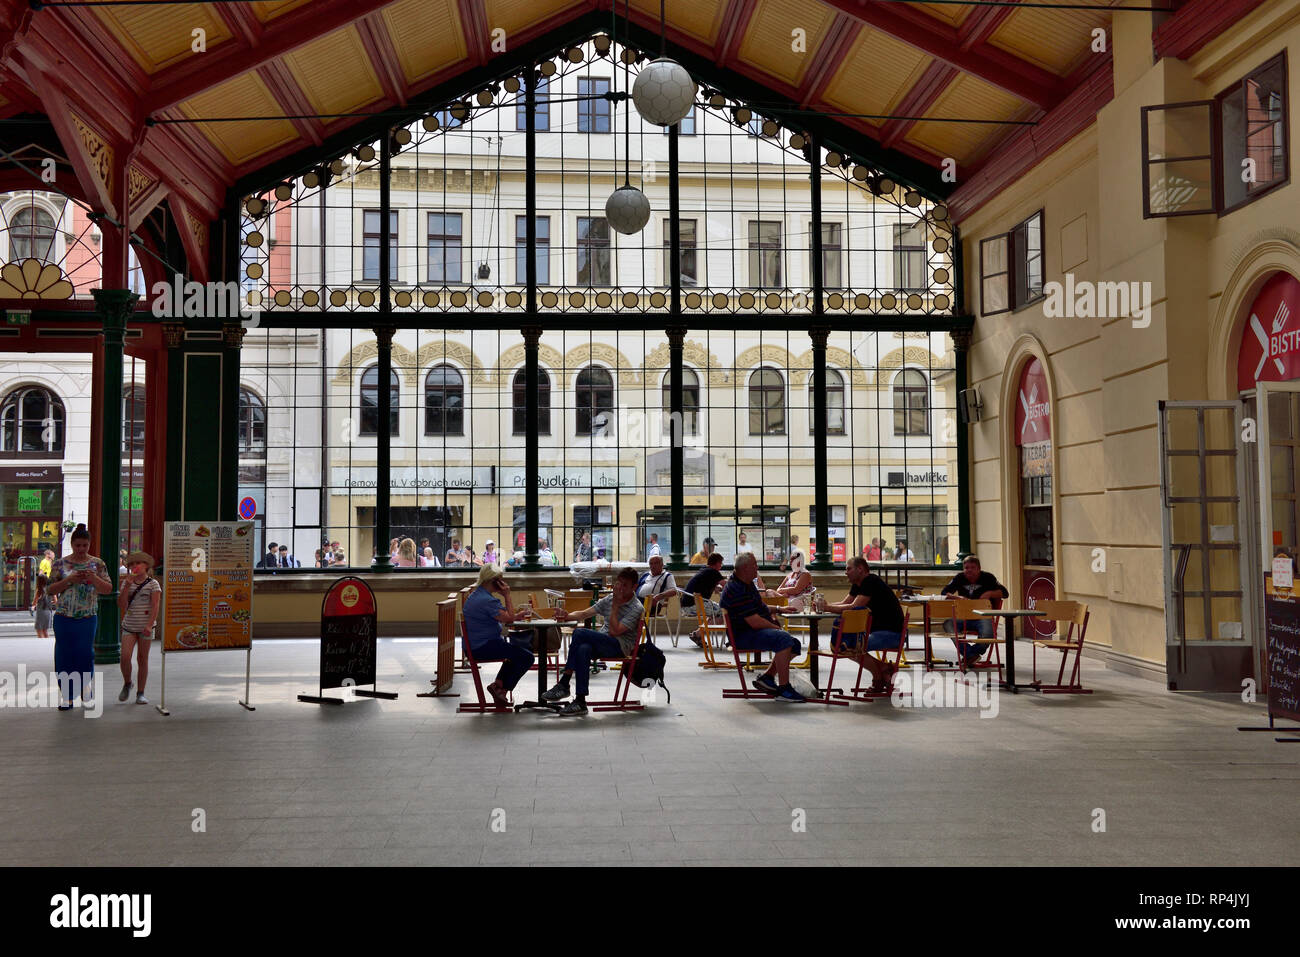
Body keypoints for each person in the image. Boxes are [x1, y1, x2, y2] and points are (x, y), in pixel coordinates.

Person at [542, 567, 643, 716]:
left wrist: (615, 606)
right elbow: (584, 613)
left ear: (634, 587)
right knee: (583, 648)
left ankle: (564, 682)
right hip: (604, 641)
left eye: (625, 585)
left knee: (579, 632)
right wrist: (567, 616)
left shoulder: (636, 607)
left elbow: (615, 632)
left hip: (620, 646)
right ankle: (581, 702)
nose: (620, 588)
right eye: (619, 583)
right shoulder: (610, 599)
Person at [721, 552, 805, 702]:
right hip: (743, 635)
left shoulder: (746, 584)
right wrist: (776, 628)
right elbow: (754, 621)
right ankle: (784, 689)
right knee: (784, 639)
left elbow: (761, 607)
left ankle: (767, 677)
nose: (757, 567)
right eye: (754, 564)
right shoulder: (736, 588)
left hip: (751, 631)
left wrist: (779, 609)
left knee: (794, 644)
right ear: (745, 568)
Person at [45, 524, 112, 709]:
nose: (81, 549)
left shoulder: (98, 564)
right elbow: (49, 589)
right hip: (64, 616)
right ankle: (66, 695)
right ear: (72, 544)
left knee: (85, 654)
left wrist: (94, 578)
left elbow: (108, 589)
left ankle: (85, 687)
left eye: (85, 545)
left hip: (88, 616)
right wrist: (69, 580)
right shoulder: (60, 563)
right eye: (78, 545)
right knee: (64, 655)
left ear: (89, 544)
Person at [823, 556, 902, 692]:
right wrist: (824, 606)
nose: (845, 572)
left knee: (851, 646)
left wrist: (827, 608)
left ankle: (878, 678)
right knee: (848, 646)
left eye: (848, 569)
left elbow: (853, 607)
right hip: (876, 632)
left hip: (892, 633)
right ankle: (883, 668)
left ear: (860, 569)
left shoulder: (871, 581)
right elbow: (844, 603)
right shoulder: (858, 583)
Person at [463, 565, 537, 707]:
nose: (503, 583)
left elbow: (504, 617)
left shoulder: (478, 595)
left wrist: (516, 616)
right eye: (500, 580)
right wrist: (507, 595)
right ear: (494, 580)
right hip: (482, 646)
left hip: (476, 645)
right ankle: (501, 689)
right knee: (527, 657)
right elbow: (508, 619)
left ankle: (498, 685)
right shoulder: (487, 600)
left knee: (517, 651)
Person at [940, 555, 1010, 662]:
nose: (969, 570)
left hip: (983, 616)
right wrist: (957, 597)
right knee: (948, 624)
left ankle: (970, 655)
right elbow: (944, 592)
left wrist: (990, 593)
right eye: (966, 568)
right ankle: (971, 655)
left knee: (988, 635)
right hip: (964, 616)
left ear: (979, 569)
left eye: (972, 567)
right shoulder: (959, 578)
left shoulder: (988, 578)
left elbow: (1005, 593)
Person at [117, 550, 161, 705]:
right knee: (125, 657)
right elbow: (121, 605)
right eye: (132, 564)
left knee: (142, 659)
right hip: (129, 625)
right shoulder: (126, 582)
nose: (135, 566)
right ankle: (128, 683)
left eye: (138, 563)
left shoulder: (153, 584)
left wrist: (149, 625)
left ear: (146, 566)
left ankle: (141, 693)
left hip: (145, 627)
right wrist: (126, 586)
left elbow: (156, 605)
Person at [681, 552, 726, 646]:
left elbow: (704, 584)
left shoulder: (705, 570)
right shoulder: (713, 572)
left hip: (686, 605)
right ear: (717, 563)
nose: (721, 565)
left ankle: (697, 634)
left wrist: (715, 587)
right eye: (720, 563)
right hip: (693, 606)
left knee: (716, 612)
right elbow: (726, 585)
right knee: (724, 612)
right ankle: (698, 634)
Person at [31, 573, 54, 639]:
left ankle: (41, 644)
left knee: (39, 630)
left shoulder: (39, 591)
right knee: (45, 631)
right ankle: (46, 644)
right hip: (49, 612)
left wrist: (33, 606)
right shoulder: (50, 589)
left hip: (41, 612)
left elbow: (34, 602)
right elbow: (55, 600)